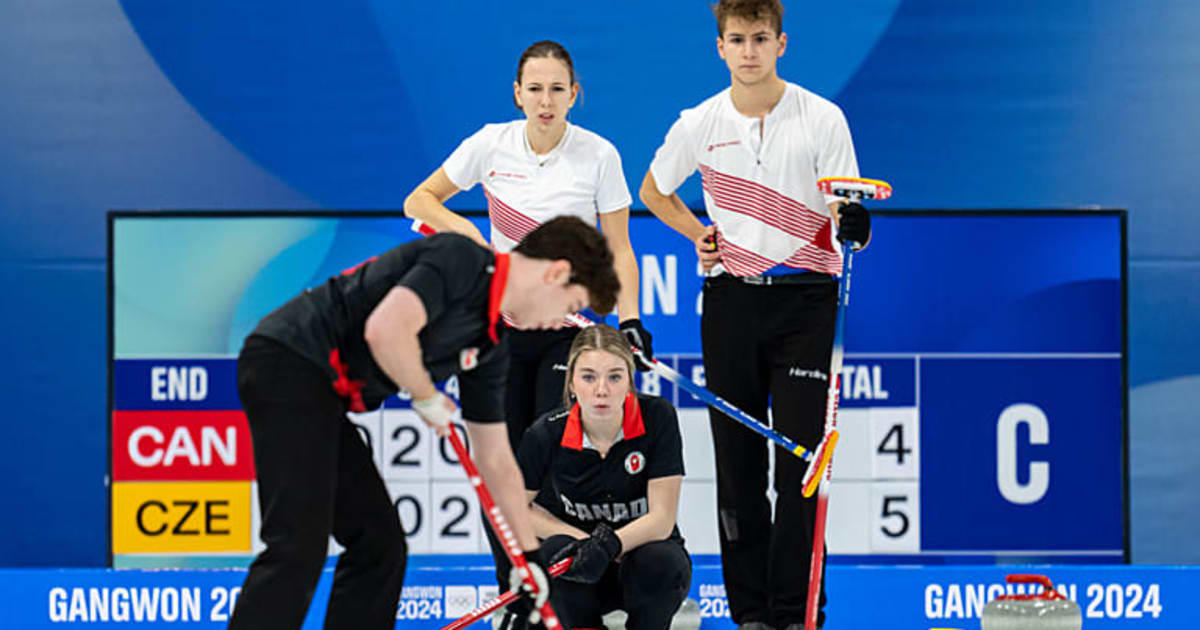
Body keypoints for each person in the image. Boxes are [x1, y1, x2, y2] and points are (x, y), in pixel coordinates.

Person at [228, 216, 620, 630]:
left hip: (323, 391)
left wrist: (528, 558)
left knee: (378, 546)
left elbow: (495, 457)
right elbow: (387, 330)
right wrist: (425, 394)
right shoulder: (463, 258)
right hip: (289, 360)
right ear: (557, 272)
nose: (560, 323)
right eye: (571, 307)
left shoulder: (489, 344)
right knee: (297, 544)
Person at [638, 1, 873, 629]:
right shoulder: (699, 122)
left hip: (807, 303)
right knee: (736, 465)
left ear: (781, 43)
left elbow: (852, 218)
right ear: (720, 47)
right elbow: (653, 190)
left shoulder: (822, 118)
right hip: (732, 301)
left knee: (800, 463)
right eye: (737, 39)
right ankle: (750, 616)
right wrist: (696, 233)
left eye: (760, 38)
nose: (749, 51)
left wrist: (859, 225)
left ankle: (797, 612)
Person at [403, 39, 655, 599]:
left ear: (575, 95)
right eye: (535, 89)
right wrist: (472, 239)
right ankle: (513, 588)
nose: (546, 101)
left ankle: (563, 587)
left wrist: (629, 321)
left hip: (562, 336)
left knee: (550, 460)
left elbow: (618, 249)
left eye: (557, 90)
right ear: (518, 94)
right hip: (499, 330)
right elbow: (418, 201)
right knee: (503, 466)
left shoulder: (599, 155)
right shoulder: (490, 144)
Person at [514, 324, 690, 630]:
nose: (601, 390)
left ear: (630, 382)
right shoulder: (545, 433)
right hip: (581, 571)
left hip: (638, 561)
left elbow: (662, 518)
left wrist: (611, 546)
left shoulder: (659, 416)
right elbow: (517, 509)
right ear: (570, 383)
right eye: (588, 377)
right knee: (553, 553)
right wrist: (586, 545)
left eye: (614, 376)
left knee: (663, 561)